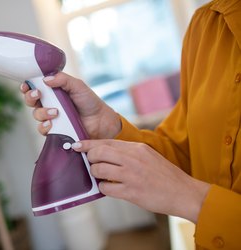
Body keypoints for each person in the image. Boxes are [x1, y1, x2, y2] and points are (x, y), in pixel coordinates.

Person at [20, 0, 240, 249]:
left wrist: (193, 199)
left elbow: (184, 185)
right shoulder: (208, 26)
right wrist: (109, 126)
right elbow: (184, 153)